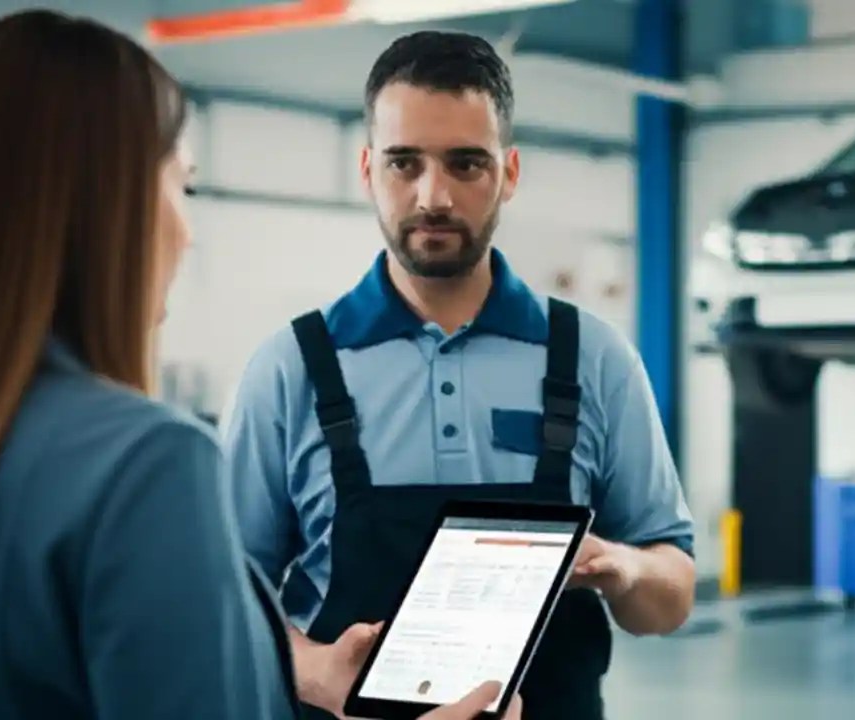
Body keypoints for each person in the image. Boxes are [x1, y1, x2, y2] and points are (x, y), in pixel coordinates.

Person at [0, 11, 517, 720]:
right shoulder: (146, 466)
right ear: (108, 206)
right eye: (183, 185)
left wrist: (296, 668)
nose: (187, 229)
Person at [225, 30, 697, 720]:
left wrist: (625, 567)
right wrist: (314, 669)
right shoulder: (290, 369)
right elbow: (225, 598)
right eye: (404, 163)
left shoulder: (594, 359)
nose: (433, 196)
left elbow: (672, 595)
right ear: (367, 170)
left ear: (508, 172)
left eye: (465, 164)